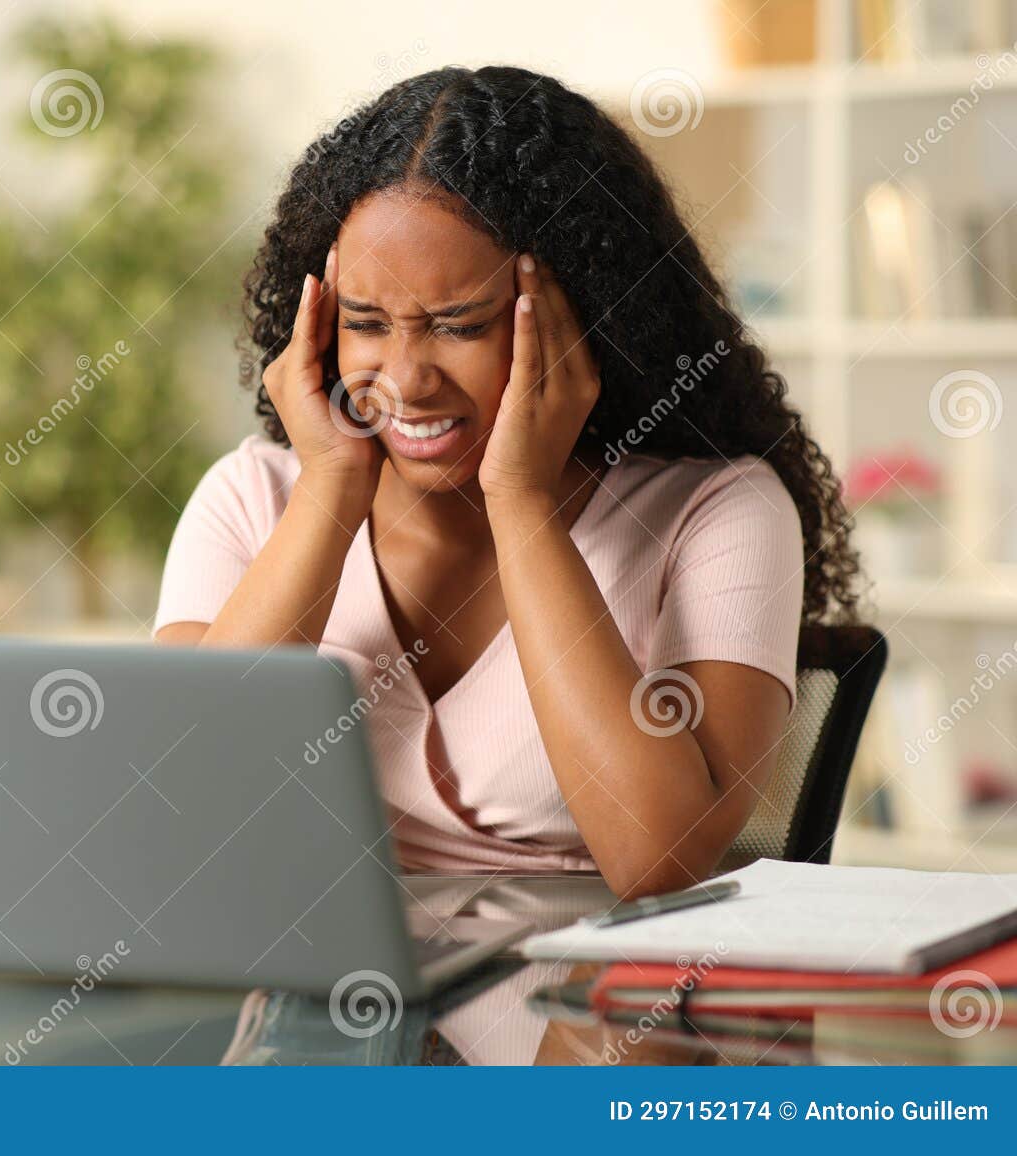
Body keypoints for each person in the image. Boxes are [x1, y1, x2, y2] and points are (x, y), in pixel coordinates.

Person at [154, 66, 859, 898]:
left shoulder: (719, 511)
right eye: (367, 324)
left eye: (460, 325)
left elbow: (657, 861)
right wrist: (329, 490)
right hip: (310, 997)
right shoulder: (251, 500)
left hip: (595, 1004)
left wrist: (521, 501)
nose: (408, 380)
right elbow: (177, 813)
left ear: (583, 315)